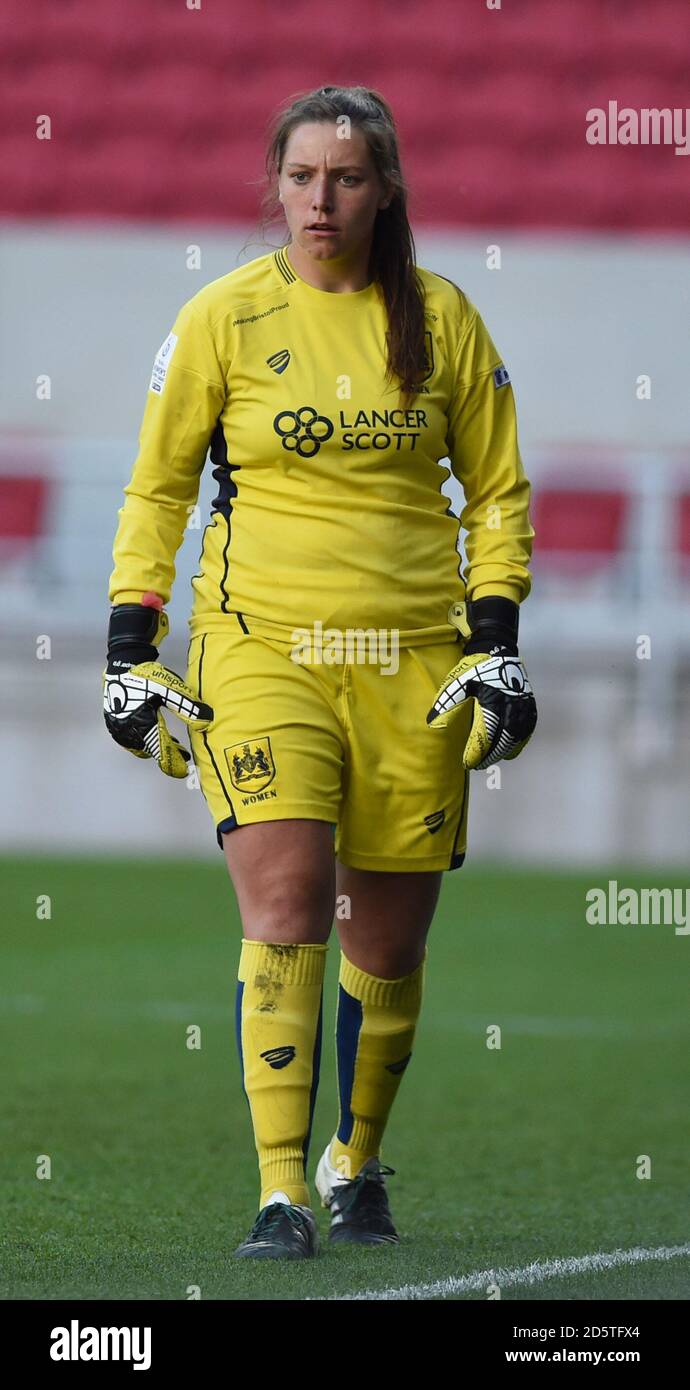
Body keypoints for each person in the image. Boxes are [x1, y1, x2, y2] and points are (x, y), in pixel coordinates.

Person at [103, 84, 537, 1261]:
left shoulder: (441, 319)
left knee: (386, 945)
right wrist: (129, 647)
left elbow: (497, 492)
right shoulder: (224, 318)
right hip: (262, 649)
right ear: (275, 185)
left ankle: (358, 1158)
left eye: (347, 177)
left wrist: (495, 643)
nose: (321, 200)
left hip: (414, 660)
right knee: (288, 903)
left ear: (385, 187)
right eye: (301, 177)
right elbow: (158, 488)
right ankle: (281, 1191)